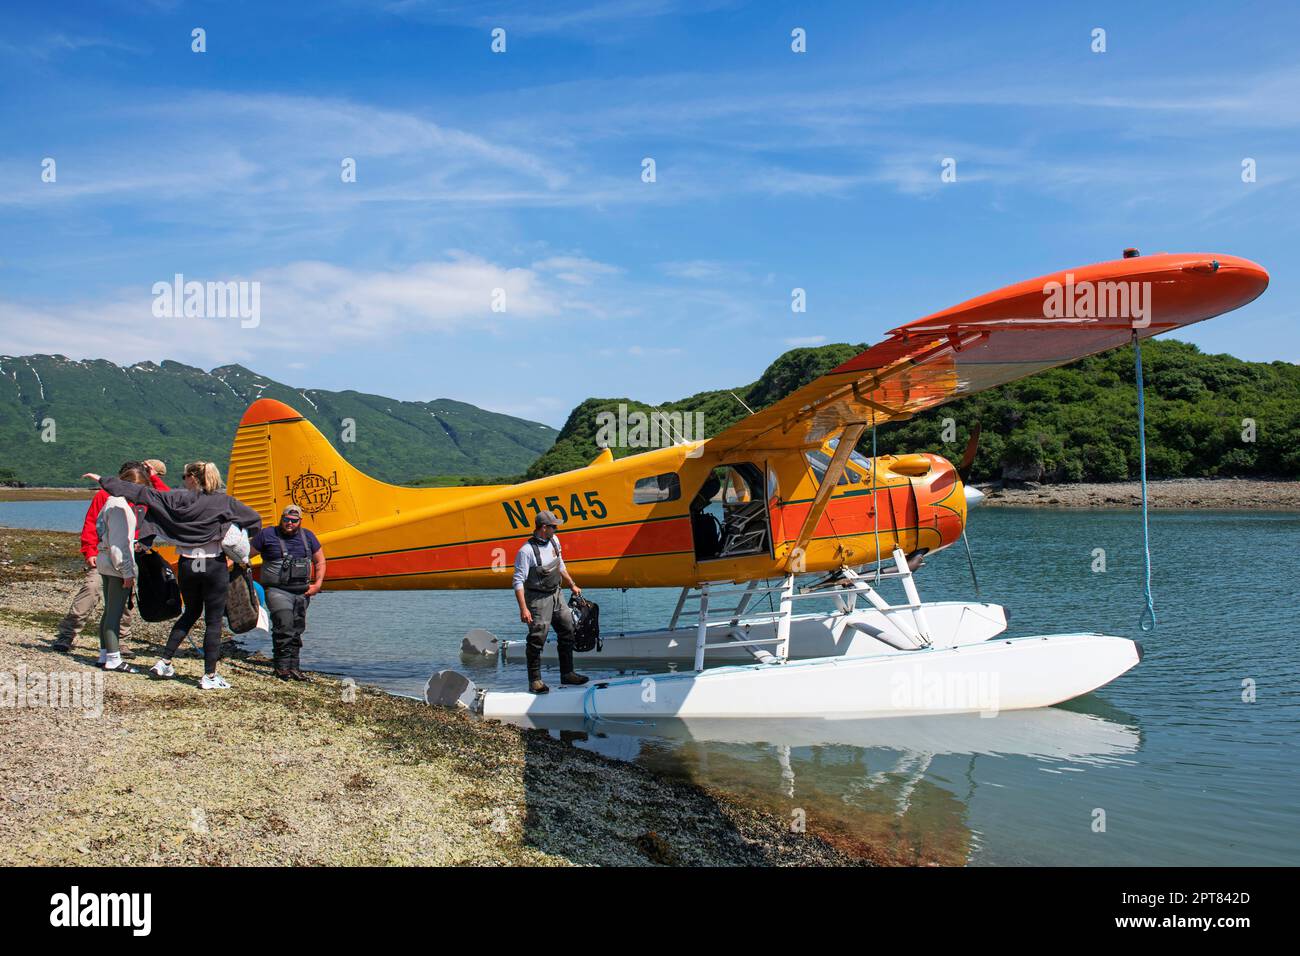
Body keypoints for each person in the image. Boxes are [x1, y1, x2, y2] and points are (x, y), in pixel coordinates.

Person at [84, 461, 262, 690]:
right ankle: (209, 676)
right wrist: (245, 549)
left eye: (183, 475)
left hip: (188, 566)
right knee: (214, 621)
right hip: (213, 565)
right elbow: (254, 520)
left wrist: (103, 480)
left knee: (190, 613)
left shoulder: (176, 498)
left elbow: (139, 492)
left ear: (191, 478)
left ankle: (165, 661)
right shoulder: (224, 502)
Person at [53, 459, 169, 654]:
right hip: (104, 553)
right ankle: (67, 634)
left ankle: (120, 640)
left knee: (125, 598)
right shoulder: (105, 495)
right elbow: (91, 524)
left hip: (131, 555)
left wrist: (155, 478)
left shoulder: (146, 495)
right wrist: (89, 551)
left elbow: (169, 501)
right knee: (91, 590)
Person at [512, 510, 587, 694]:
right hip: (537, 599)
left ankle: (567, 673)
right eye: (554, 526)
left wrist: (572, 585)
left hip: (556, 594)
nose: (556, 529)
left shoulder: (555, 541)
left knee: (568, 629)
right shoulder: (526, 551)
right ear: (544, 528)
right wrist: (524, 609)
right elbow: (518, 581)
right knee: (537, 638)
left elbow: (560, 565)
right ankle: (535, 681)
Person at [249, 504, 325, 681]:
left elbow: (320, 561)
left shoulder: (309, 537)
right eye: (286, 519)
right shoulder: (267, 535)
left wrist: (318, 584)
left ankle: (294, 667)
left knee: (297, 629)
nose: (289, 523)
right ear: (281, 518)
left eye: (293, 520)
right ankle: (281, 668)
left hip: (302, 592)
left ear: (300, 521)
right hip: (277, 590)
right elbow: (244, 555)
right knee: (284, 625)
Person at [94, 462, 153, 673]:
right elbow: (120, 545)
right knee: (115, 612)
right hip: (115, 565)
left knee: (109, 610)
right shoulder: (120, 507)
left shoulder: (110, 501)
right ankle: (113, 658)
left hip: (105, 561)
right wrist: (127, 572)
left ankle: (104, 654)